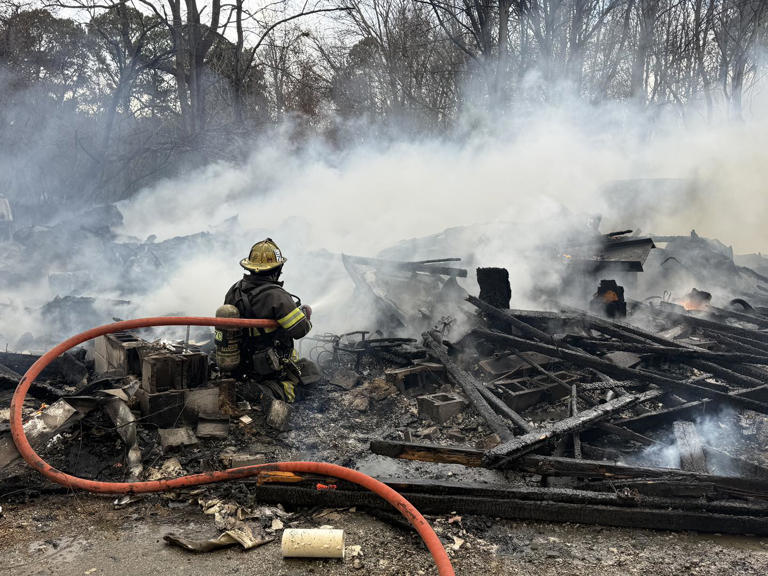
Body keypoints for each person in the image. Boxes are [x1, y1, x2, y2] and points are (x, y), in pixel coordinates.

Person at [223, 238, 320, 408]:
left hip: (239, 362)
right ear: (278, 269)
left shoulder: (235, 289)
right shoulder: (277, 296)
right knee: (310, 375)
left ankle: (247, 384)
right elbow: (299, 330)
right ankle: (267, 390)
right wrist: (306, 316)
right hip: (265, 366)